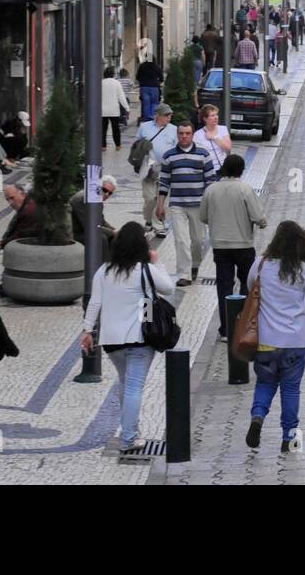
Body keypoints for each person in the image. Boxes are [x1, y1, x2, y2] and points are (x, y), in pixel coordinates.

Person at [81, 222, 175, 452]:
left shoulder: (104, 271)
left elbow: (95, 303)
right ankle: (129, 438)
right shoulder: (145, 269)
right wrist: (157, 262)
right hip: (140, 339)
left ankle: (129, 431)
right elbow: (169, 288)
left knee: (125, 383)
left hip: (112, 342)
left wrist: (87, 331)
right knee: (134, 387)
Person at [244, 221, 305, 454]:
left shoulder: (260, 265)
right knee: (291, 390)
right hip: (295, 342)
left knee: (265, 383)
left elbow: (250, 287)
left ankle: (258, 416)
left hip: (266, 341)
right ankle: (288, 437)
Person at [200, 154, 268, 340]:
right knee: (247, 284)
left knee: (224, 286)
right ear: (240, 170)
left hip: (220, 246)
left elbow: (203, 217)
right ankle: (242, 324)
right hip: (243, 245)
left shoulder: (211, 190)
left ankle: (226, 329)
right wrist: (262, 223)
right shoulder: (245, 189)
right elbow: (259, 217)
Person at [156, 122, 217, 286]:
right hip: (177, 205)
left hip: (198, 204)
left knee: (198, 240)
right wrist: (160, 205)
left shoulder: (203, 154)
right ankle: (184, 274)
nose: (184, 136)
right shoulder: (169, 156)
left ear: (192, 135)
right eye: (181, 133)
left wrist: (210, 204)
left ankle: (195, 265)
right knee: (181, 240)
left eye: (187, 133)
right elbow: (164, 182)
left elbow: (211, 181)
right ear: (177, 135)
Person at [135, 104, 178, 235]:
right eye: (166, 115)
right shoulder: (144, 127)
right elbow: (137, 145)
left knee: (162, 200)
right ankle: (148, 220)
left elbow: (176, 149)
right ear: (157, 115)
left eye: (170, 115)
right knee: (149, 198)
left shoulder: (174, 130)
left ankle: (158, 224)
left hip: (165, 168)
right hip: (148, 168)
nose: (169, 117)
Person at [0, 180, 39, 253]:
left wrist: (1, 243)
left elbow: (21, 235)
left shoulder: (28, 209)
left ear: (22, 194)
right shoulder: (25, 207)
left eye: (12, 198)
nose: (10, 203)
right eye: (8, 200)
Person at [70, 176, 117, 246]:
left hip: (85, 230)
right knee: (102, 238)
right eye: (105, 190)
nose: (107, 195)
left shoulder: (97, 198)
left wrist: (115, 231)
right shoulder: (83, 199)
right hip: (76, 232)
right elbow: (90, 227)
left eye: (110, 193)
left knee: (115, 237)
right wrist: (112, 232)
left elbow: (101, 221)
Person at [193, 104, 234, 175]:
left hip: (221, 169)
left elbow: (228, 147)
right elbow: (196, 154)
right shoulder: (198, 134)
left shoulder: (223, 129)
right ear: (205, 118)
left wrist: (214, 138)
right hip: (205, 170)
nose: (216, 117)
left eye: (216, 115)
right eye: (212, 115)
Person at [101, 68, 130, 151]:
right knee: (115, 128)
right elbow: (121, 97)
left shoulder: (100, 83)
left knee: (103, 129)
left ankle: (103, 146)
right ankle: (118, 145)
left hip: (103, 110)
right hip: (114, 110)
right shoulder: (117, 83)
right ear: (113, 74)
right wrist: (127, 108)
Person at [136, 58, 164, 123]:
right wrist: (157, 82)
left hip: (144, 87)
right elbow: (161, 78)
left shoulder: (142, 66)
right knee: (154, 103)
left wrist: (142, 82)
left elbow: (137, 77)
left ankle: (146, 120)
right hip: (154, 87)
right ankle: (152, 118)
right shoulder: (157, 67)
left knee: (146, 104)